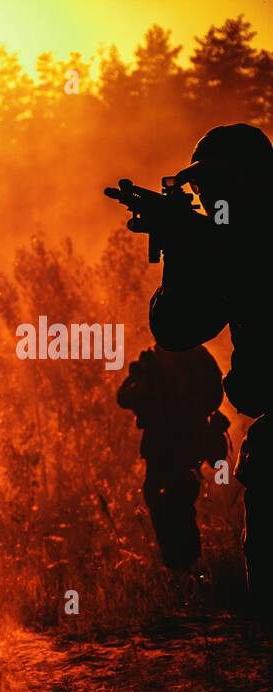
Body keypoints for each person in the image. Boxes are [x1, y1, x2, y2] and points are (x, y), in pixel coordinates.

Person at [140, 123, 273, 614]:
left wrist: (183, 246)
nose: (205, 195)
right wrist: (188, 243)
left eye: (213, 185)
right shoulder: (235, 239)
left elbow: (174, 327)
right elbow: (179, 331)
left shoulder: (243, 242)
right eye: (199, 188)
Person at [116, 345, 229, 571]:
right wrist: (143, 386)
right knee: (162, 499)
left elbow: (213, 394)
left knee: (177, 498)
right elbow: (124, 397)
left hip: (182, 441)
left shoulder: (191, 356)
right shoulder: (153, 360)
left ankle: (185, 563)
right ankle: (181, 563)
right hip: (163, 443)